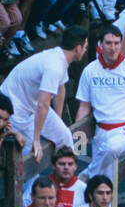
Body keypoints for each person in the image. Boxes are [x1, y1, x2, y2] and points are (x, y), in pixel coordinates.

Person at [75, 25, 125, 180]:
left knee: (111, 149)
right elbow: (84, 107)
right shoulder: (90, 70)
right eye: (109, 43)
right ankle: (97, 191)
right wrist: (78, 139)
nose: (113, 47)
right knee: (105, 184)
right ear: (100, 44)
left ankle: (86, 177)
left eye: (117, 43)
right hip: (101, 132)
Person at [3, 26, 88, 161]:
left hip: (32, 106)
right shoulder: (53, 65)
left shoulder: (60, 58)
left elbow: (61, 89)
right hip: (15, 109)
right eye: (84, 47)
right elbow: (43, 104)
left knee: (65, 136)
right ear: (78, 48)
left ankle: (70, 179)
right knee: (32, 155)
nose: (85, 50)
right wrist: (36, 140)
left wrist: (58, 120)